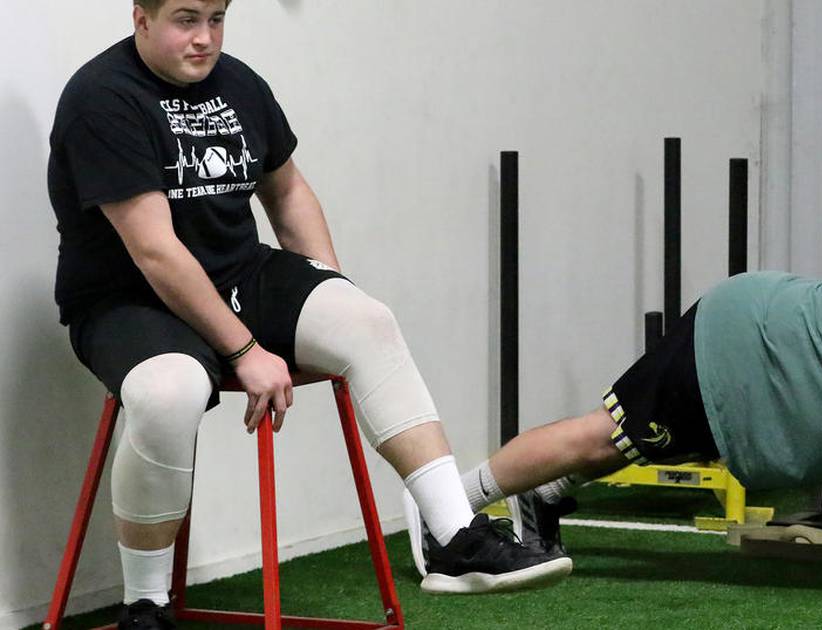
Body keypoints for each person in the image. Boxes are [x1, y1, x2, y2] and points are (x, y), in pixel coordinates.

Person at [47, 0, 569, 625]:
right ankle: (147, 604)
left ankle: (456, 537)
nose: (204, 38)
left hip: (240, 276)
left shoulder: (239, 83)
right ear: (141, 18)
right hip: (128, 298)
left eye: (216, 19)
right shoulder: (101, 99)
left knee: (366, 322)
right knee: (169, 392)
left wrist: (327, 286)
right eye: (186, 19)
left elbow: (287, 189)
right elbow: (156, 253)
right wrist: (245, 351)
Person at [407, 253, 822, 571]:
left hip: (766, 357)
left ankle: (546, 498)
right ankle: (448, 506)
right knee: (606, 437)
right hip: (736, 350)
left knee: (627, 446)